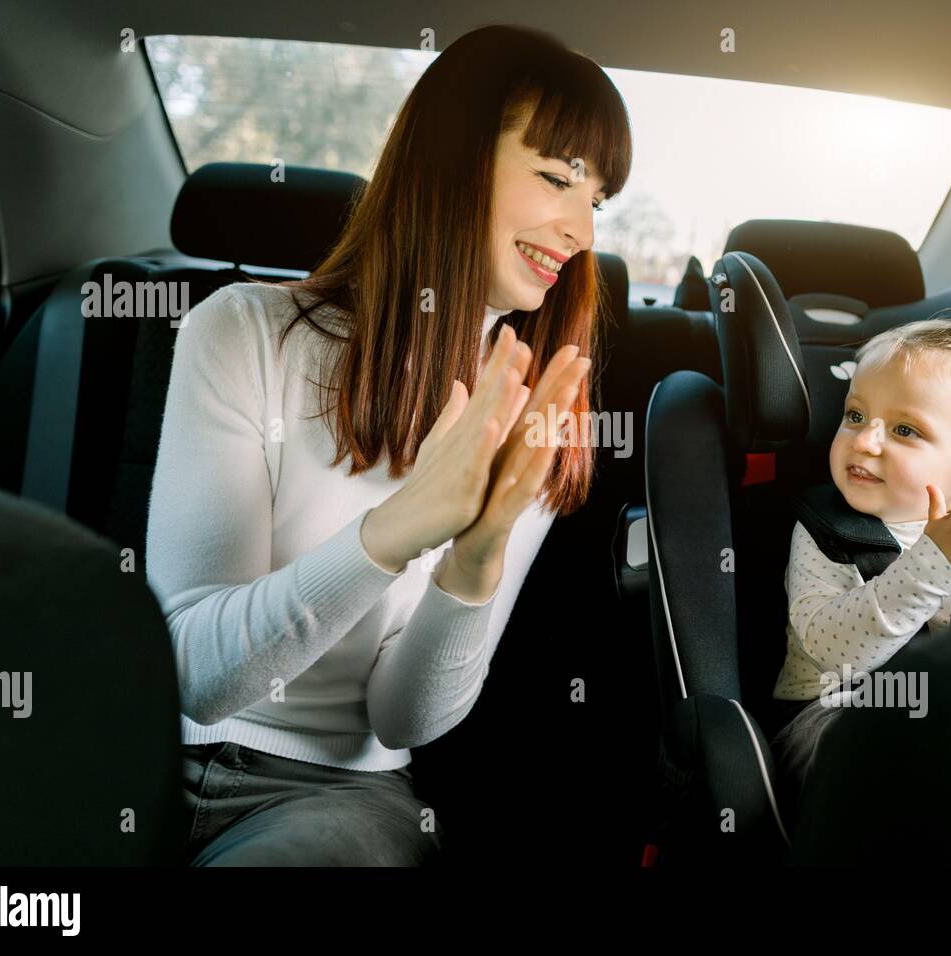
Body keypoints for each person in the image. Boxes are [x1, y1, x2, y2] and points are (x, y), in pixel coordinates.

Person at [146, 24, 632, 865]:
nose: (580, 233)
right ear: (450, 161)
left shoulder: (538, 419)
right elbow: (194, 676)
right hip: (136, 751)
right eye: (556, 178)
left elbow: (404, 719)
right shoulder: (240, 332)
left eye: (595, 201)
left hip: (340, 794)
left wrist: (472, 560)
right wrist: (395, 529)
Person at [768, 314, 951, 817]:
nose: (865, 441)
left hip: (949, 716)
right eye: (854, 416)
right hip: (829, 716)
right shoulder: (824, 529)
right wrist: (934, 563)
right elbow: (831, 648)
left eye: (903, 429)